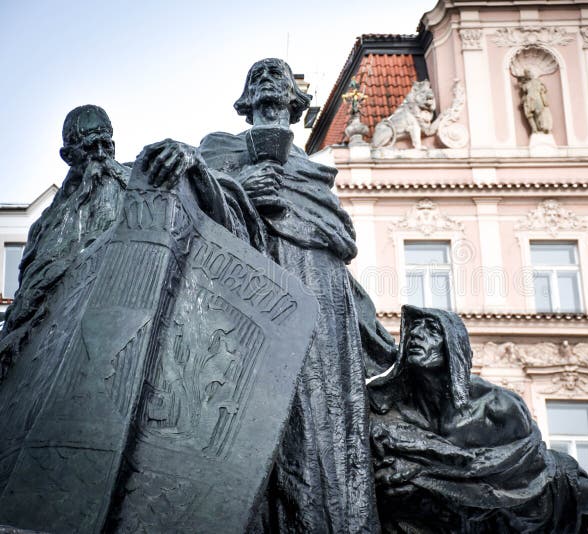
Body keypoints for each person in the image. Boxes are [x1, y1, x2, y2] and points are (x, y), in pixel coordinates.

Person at [140, 58, 380, 533]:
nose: (269, 81)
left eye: (279, 77)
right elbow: (187, 201)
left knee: (321, 413)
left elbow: (339, 234)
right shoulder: (217, 148)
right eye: (258, 77)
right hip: (246, 291)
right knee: (245, 410)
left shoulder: (312, 172)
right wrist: (236, 186)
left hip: (315, 286)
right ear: (246, 102)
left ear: (295, 102)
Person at [369, 305, 588, 533]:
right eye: (413, 328)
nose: (416, 335)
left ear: (454, 346)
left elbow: (550, 484)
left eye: (431, 329)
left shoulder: (498, 409)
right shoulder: (388, 417)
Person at [0, 104, 129, 378]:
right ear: (68, 155)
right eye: (91, 147)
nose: (102, 156)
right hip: (50, 346)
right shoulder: (44, 227)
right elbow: (27, 296)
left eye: (108, 145)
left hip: (112, 330)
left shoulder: (131, 184)